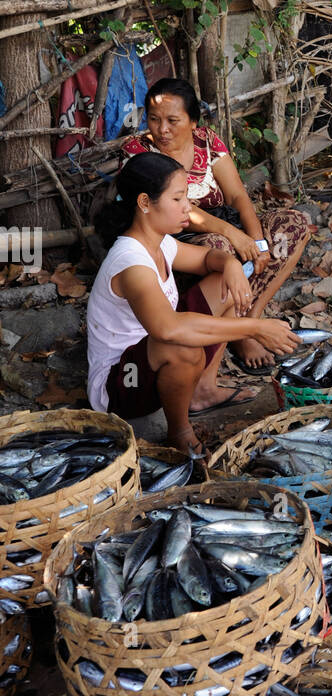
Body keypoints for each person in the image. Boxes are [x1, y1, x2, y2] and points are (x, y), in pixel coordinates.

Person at [87, 152, 300, 456]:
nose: (187, 207)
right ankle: (179, 432)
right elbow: (169, 330)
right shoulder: (130, 262)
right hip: (121, 384)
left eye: (185, 196)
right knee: (179, 343)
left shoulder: (159, 240)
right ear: (145, 203)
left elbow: (204, 258)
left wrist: (230, 264)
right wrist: (256, 327)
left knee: (225, 284)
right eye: (177, 199)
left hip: (151, 358)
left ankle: (201, 389)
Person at [121, 77, 311, 372]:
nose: (162, 129)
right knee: (219, 247)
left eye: (173, 120)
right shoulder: (138, 152)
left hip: (226, 222)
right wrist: (233, 235)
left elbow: (236, 194)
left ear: (193, 121)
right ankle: (241, 331)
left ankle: (251, 317)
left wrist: (257, 242)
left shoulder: (207, 141)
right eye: (154, 119)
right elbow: (186, 214)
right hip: (178, 240)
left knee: (294, 224)